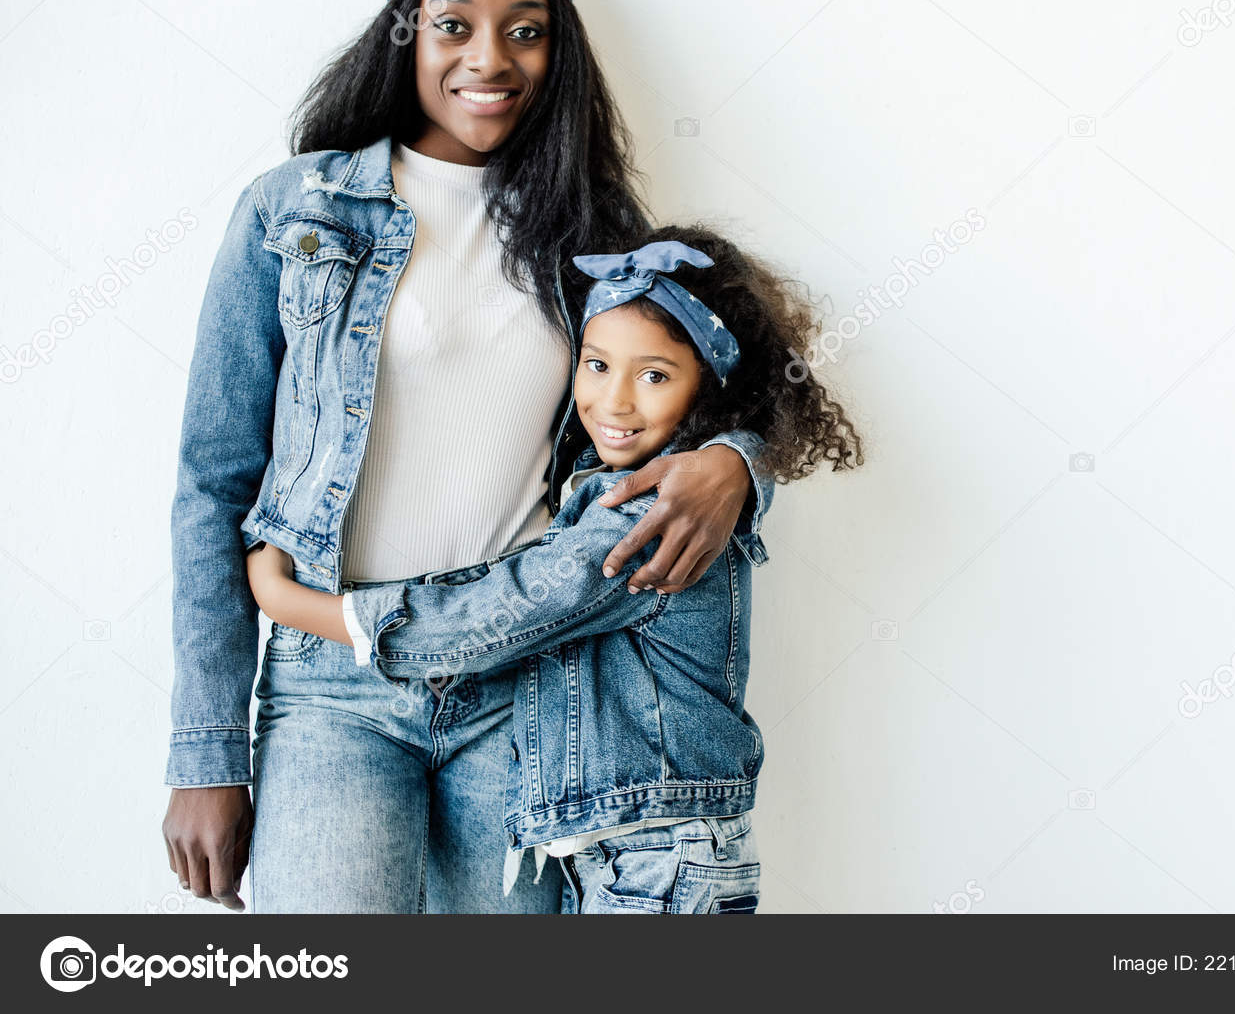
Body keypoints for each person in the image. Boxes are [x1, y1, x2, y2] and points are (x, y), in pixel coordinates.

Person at [163, 0, 776, 913]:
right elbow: (209, 479)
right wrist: (204, 751)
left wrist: (738, 465)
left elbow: (717, 381)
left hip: (528, 686)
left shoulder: (598, 230)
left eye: (526, 32)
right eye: (452, 24)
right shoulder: (298, 210)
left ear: (558, 52)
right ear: (402, 32)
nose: (489, 59)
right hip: (331, 691)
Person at [245, 232, 865, 912]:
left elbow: (491, 615)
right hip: (637, 858)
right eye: (596, 365)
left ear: (711, 387)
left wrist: (285, 599)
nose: (614, 401)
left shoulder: (644, 514)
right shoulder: (620, 488)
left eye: (654, 376)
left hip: (654, 866)